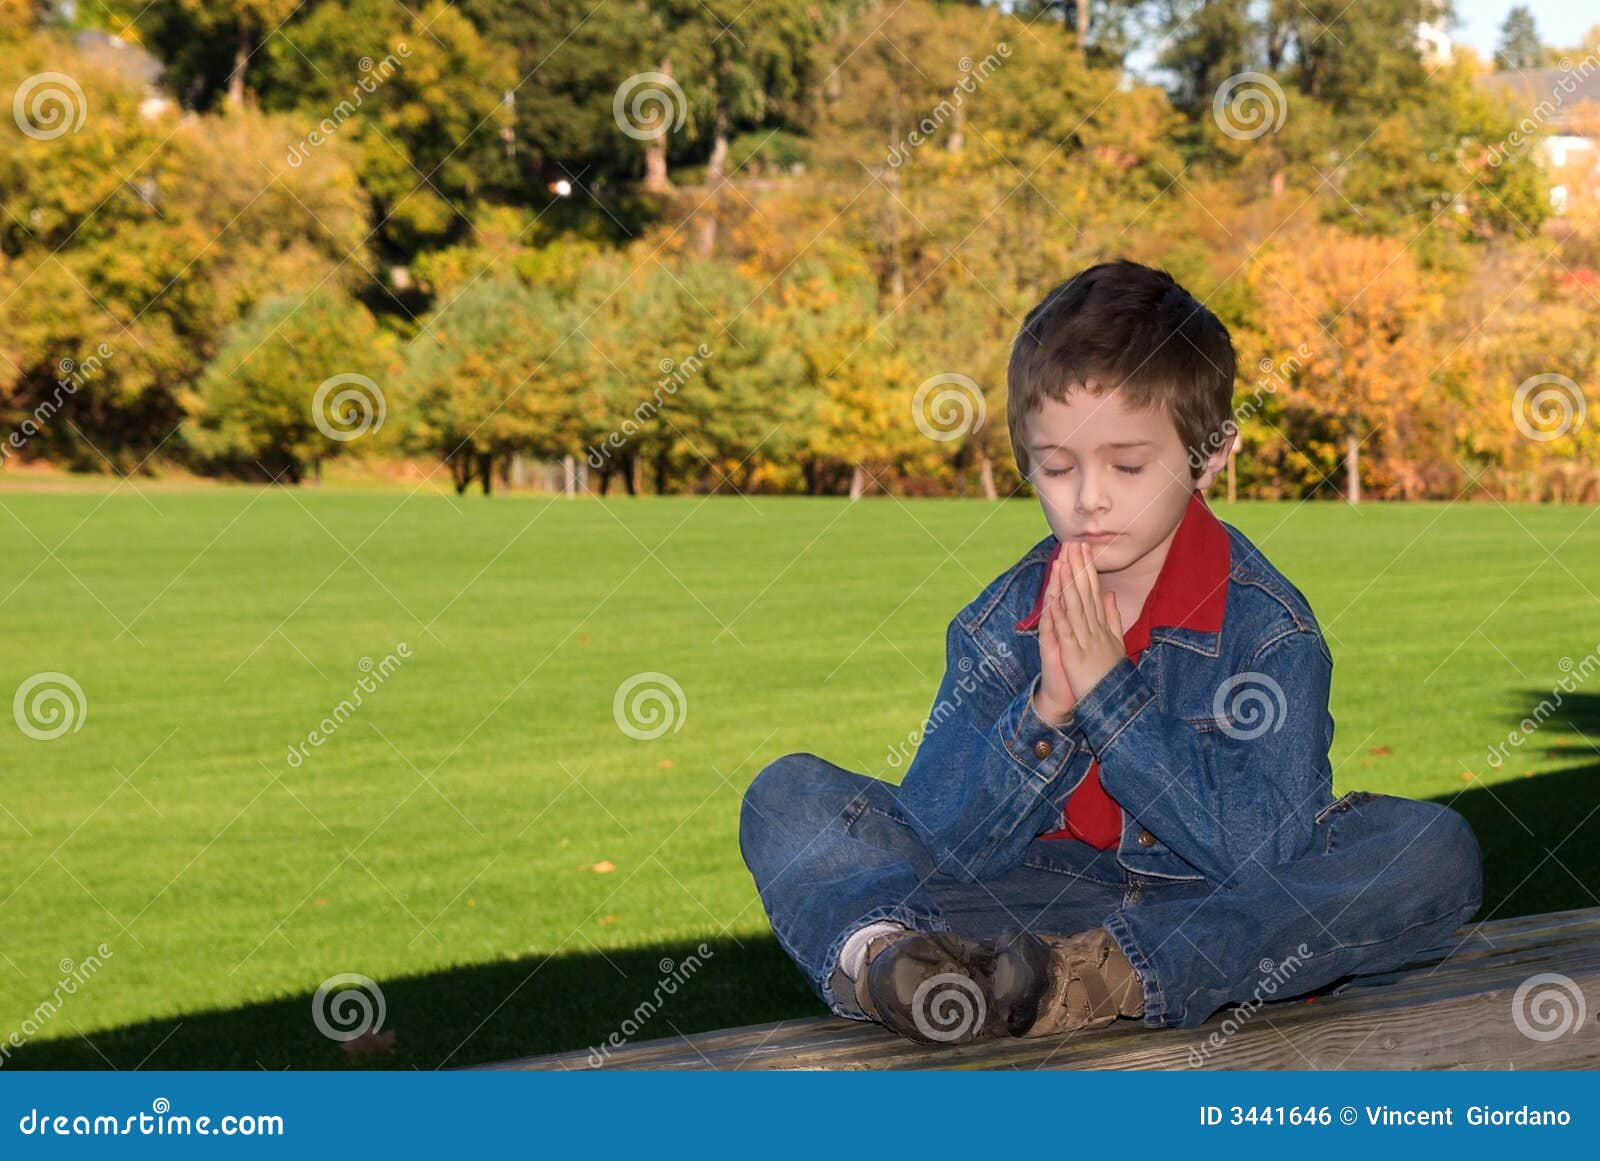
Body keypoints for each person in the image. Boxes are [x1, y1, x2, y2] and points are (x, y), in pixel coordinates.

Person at [738, 259, 1483, 1045]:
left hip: (1200, 907)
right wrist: (1046, 711)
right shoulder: (1000, 620)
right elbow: (941, 842)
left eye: (1127, 465)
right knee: (786, 793)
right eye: (1057, 466)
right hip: (1022, 907)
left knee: (1430, 850)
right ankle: (894, 963)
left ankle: (1098, 978)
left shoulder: (1269, 629)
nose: (1089, 497)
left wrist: (1111, 698)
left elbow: (1263, 854)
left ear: (1210, 454)